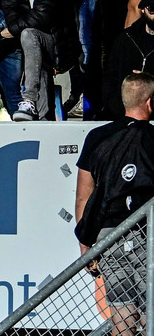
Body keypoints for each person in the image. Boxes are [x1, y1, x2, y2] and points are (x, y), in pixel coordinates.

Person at [75, 71, 154, 336]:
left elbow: (83, 196)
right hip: (148, 234)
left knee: (122, 318)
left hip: (108, 237)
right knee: (149, 315)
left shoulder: (96, 137)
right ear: (150, 102)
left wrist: (85, 244)